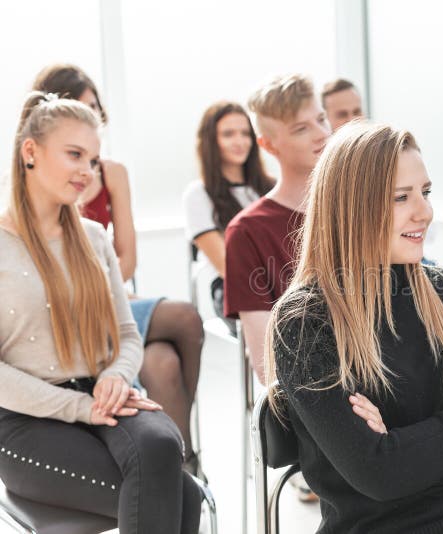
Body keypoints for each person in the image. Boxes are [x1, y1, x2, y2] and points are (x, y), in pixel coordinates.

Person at [265, 122, 443, 533]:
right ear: (351, 208)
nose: (424, 212)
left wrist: (402, 449)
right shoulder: (304, 322)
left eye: (426, 192)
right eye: (401, 197)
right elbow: (379, 476)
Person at [0, 92, 201, 533]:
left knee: (164, 447)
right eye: (74, 154)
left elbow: (127, 334)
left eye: (93, 160)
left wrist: (115, 375)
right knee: (183, 496)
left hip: (103, 395)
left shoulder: (93, 238)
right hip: (26, 421)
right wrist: (81, 407)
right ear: (30, 151)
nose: (87, 172)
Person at [32, 63, 206, 477]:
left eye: (94, 106)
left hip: (114, 295)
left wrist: (106, 284)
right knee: (182, 318)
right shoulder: (39, 182)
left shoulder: (112, 173)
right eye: (78, 105)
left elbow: (127, 260)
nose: (89, 115)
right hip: (69, 307)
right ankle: (186, 465)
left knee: (163, 361)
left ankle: (179, 462)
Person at [224, 74, 330, 384]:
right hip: (313, 388)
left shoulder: (360, 207)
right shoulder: (246, 232)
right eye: (301, 129)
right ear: (268, 145)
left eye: (321, 119)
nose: (322, 134)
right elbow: (266, 365)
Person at [184, 100, 274, 319]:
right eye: (228, 134)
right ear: (210, 141)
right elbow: (227, 267)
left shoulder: (272, 187)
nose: (240, 141)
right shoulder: (198, 194)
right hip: (234, 290)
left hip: (282, 283)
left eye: (245, 133)